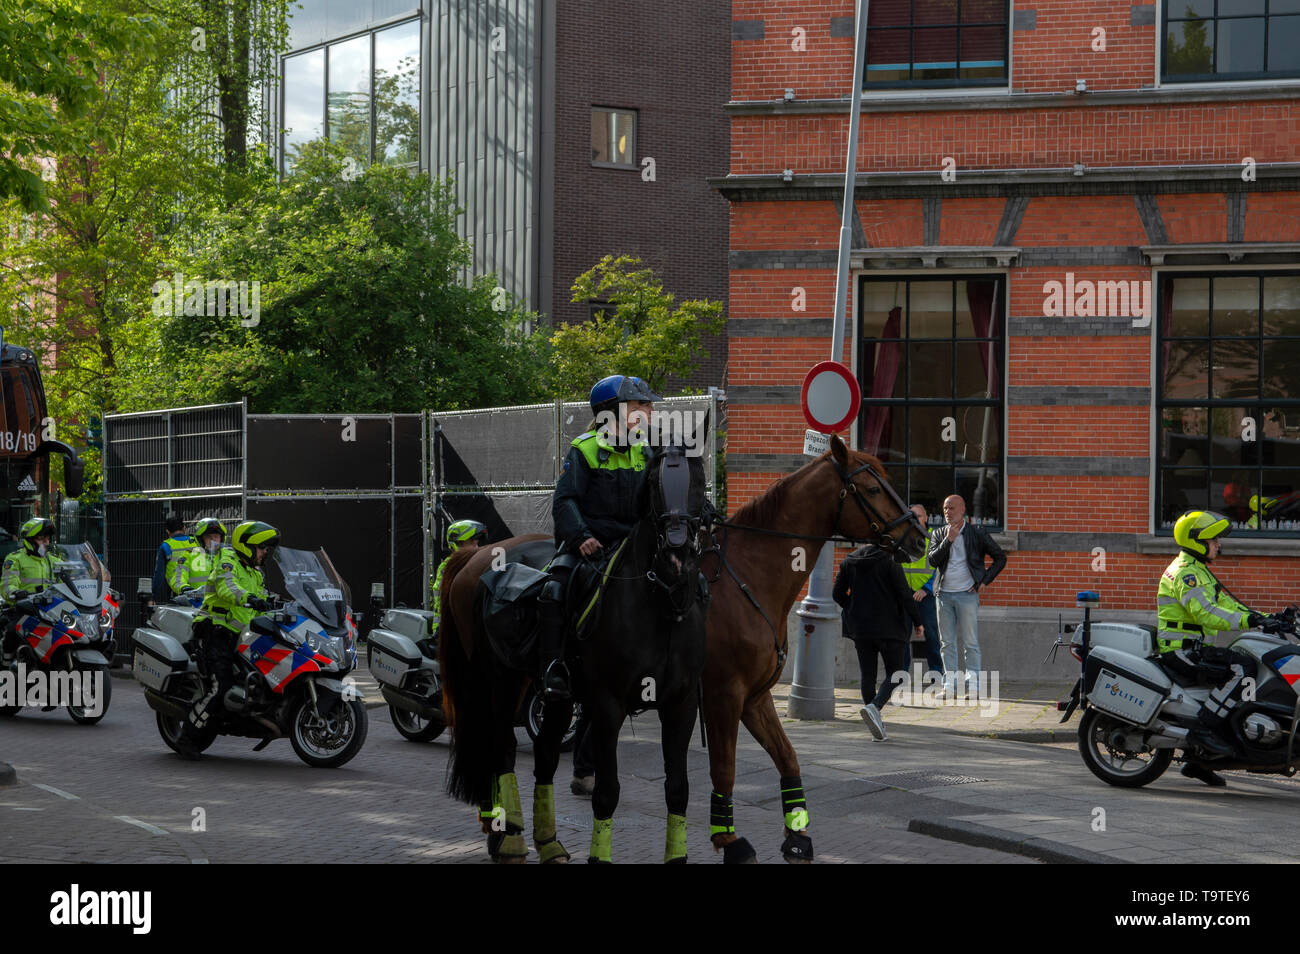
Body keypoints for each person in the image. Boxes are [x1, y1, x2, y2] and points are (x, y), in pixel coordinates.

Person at [539, 374, 661, 699]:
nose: (649, 410)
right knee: (555, 588)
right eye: (641, 404)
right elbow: (564, 501)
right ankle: (555, 669)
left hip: (632, 548)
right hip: (589, 547)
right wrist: (581, 537)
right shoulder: (584, 449)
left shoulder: (645, 452)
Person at [1158, 510, 1276, 786]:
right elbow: (1207, 613)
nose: (1219, 545)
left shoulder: (1199, 571)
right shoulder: (1186, 573)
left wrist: (1268, 619)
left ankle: (1198, 760)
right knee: (1243, 668)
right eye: (1213, 540)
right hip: (1180, 651)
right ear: (1197, 541)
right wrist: (1249, 620)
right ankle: (1203, 729)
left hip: (1192, 648)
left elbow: (1228, 606)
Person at [177, 519, 279, 760]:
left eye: (266, 548)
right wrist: (249, 598)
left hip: (243, 635)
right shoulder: (227, 562)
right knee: (219, 686)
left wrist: (276, 603)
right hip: (216, 631)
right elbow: (227, 588)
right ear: (247, 546)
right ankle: (187, 738)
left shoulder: (255, 572)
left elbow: (263, 596)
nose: (265, 552)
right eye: (261, 547)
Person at [834, 540, 923, 741]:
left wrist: (853, 608)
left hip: (861, 629)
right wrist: (918, 621)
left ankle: (875, 723)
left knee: (868, 674)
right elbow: (904, 594)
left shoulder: (849, 561)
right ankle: (875, 707)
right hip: (889, 627)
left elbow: (837, 594)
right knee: (898, 672)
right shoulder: (890, 560)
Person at [927, 494, 1006, 698]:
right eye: (945, 508)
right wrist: (948, 540)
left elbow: (1000, 557)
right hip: (943, 594)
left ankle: (974, 687)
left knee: (970, 643)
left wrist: (984, 580)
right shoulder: (938, 534)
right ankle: (950, 687)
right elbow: (932, 561)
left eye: (951, 508)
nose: (947, 512)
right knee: (947, 643)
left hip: (967, 595)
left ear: (962, 510)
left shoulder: (976, 533)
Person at [429, 519, 487, 653]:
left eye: (477, 543)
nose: (476, 547)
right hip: (448, 630)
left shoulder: (474, 564)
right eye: (472, 542)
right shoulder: (449, 567)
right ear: (458, 543)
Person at [899, 504, 943, 677]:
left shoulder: (934, 538)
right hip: (905, 595)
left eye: (918, 516)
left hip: (926, 596)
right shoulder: (902, 538)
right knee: (902, 637)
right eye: (911, 516)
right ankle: (901, 675)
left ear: (925, 518)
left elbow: (940, 568)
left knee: (932, 636)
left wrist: (926, 589)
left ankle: (936, 674)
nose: (915, 519)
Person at [151, 514, 196, 605]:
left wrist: (153, 596)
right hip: (199, 590)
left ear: (168, 531)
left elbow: (159, 574)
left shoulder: (166, 546)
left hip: (177, 592)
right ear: (184, 528)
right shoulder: (196, 542)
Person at [181, 517, 227, 594]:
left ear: (221, 538)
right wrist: (183, 587)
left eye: (216, 536)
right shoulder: (189, 555)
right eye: (209, 537)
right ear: (201, 539)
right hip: (197, 603)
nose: (213, 540)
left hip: (224, 602)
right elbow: (179, 576)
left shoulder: (229, 556)